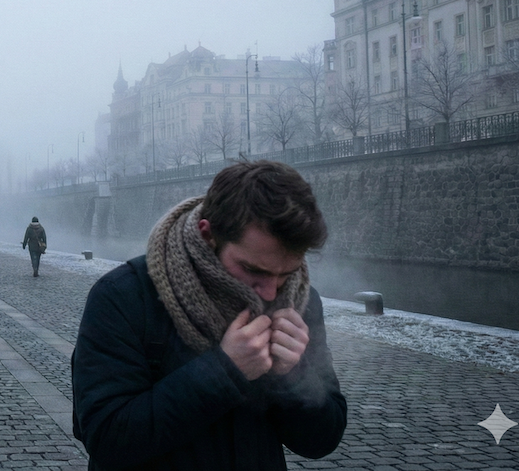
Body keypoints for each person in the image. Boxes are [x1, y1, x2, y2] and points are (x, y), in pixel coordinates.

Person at [71, 160, 346, 470]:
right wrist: (225, 370)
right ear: (207, 234)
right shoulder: (124, 295)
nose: (270, 293)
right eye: (253, 270)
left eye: (285, 273)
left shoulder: (301, 301)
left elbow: (322, 439)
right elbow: (107, 438)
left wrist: (292, 375)